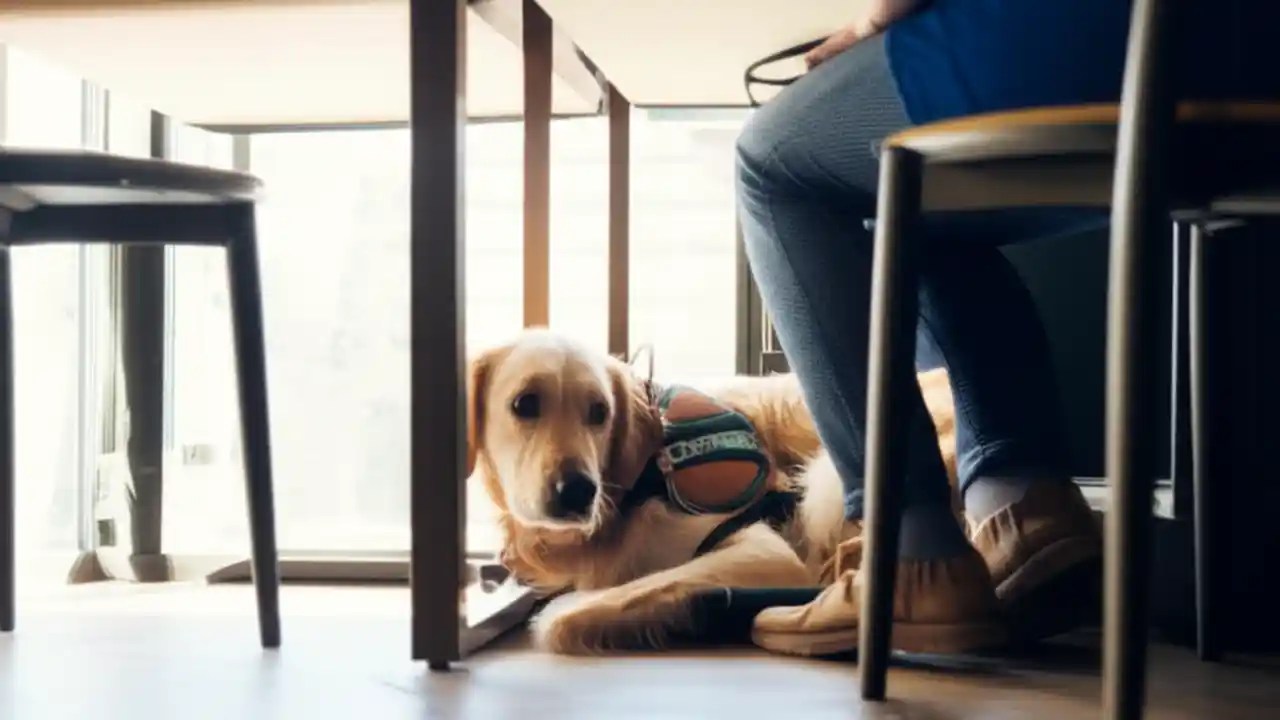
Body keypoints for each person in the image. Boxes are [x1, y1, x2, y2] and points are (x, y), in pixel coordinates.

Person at [736, 0, 1278, 657]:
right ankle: (1022, 509)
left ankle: (911, 561)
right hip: (1253, 61)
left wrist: (874, 21)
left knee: (772, 163)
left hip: (1108, 38)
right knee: (908, 192)